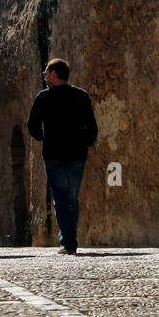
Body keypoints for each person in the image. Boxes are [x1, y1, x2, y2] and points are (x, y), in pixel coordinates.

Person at [27, 58, 97, 255]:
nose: (45, 75)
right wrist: (86, 142)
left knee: (60, 198)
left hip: (54, 154)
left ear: (55, 74)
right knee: (72, 198)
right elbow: (92, 126)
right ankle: (69, 239)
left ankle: (68, 242)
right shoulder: (81, 96)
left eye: (47, 72)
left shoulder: (44, 97)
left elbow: (32, 125)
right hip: (77, 155)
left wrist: (43, 137)